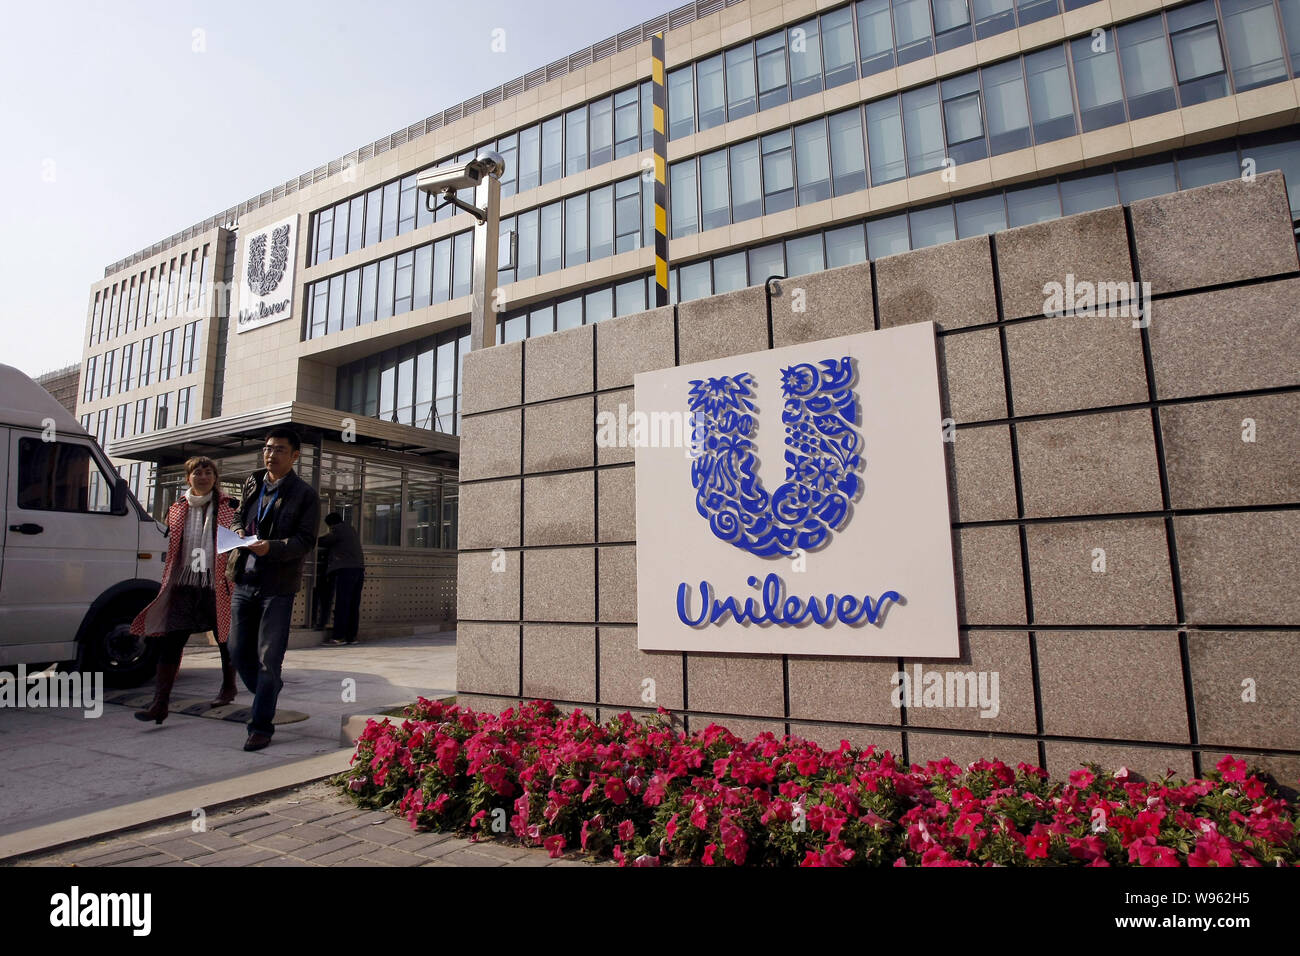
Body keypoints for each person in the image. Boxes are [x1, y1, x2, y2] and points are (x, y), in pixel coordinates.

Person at [226, 427, 320, 751]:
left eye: (279, 449)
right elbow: (239, 516)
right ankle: (269, 692)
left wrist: (273, 548)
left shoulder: (305, 494)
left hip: (277, 587)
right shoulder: (253, 481)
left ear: (295, 455)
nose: (271, 454)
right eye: (267, 448)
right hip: (244, 579)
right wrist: (238, 531)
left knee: (269, 658)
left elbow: (305, 541)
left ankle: (261, 726)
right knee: (237, 651)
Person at [130, 456, 239, 724]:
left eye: (208, 472)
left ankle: (228, 686)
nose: (203, 476)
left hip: (216, 583)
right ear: (188, 477)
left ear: (215, 478)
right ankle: (160, 703)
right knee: (172, 641)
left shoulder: (229, 506)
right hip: (183, 583)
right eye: (197, 472)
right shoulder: (177, 508)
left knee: (224, 638)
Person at [318, 512, 365, 645]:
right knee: (353, 604)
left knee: (342, 603)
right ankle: (351, 636)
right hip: (359, 570)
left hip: (346, 570)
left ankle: (338, 636)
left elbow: (325, 541)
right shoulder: (351, 529)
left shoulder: (338, 530)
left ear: (331, 524)